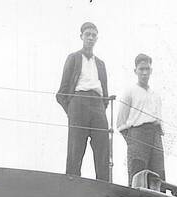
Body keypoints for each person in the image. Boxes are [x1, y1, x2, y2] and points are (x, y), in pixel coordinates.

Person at [56, 22, 110, 181]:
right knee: (76, 147)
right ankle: (72, 183)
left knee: (102, 146)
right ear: (81, 36)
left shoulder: (100, 64)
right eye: (88, 34)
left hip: (98, 104)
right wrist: (72, 109)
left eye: (94, 35)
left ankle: (104, 186)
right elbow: (62, 92)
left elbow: (105, 91)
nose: (91, 38)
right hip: (78, 102)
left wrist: (100, 105)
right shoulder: (73, 58)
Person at [116, 52, 164, 186]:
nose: (144, 73)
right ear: (135, 71)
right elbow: (120, 123)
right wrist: (133, 140)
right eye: (141, 69)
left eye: (147, 69)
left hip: (155, 135)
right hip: (137, 134)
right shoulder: (129, 91)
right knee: (138, 172)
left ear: (151, 71)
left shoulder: (155, 95)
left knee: (158, 173)